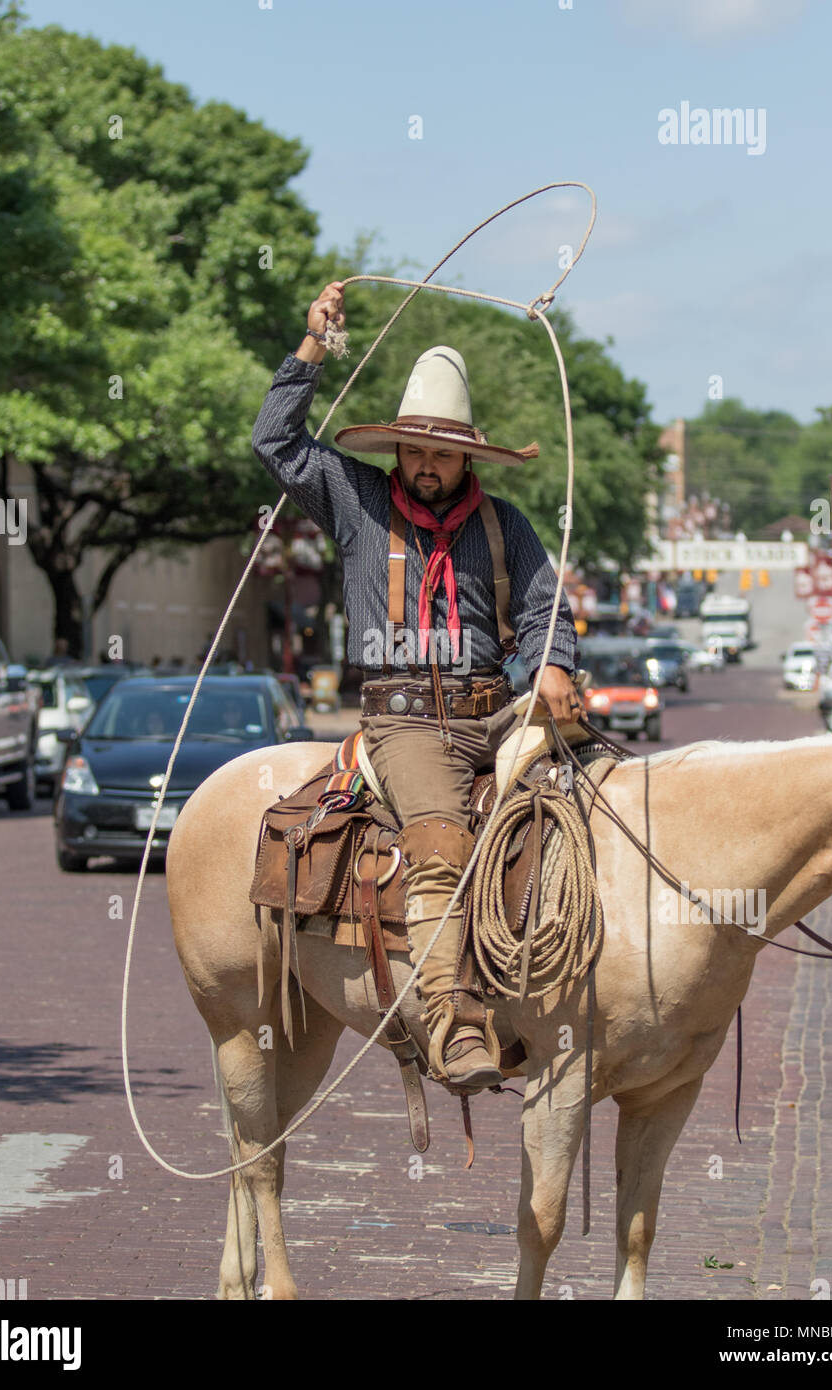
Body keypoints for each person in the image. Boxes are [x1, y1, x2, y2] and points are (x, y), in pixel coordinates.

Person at [251, 281, 580, 1092]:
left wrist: (557, 669)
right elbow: (275, 442)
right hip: (405, 724)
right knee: (439, 845)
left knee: (582, 817)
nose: (427, 465)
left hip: (493, 713)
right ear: (396, 448)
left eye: (442, 453)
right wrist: (314, 347)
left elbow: (545, 611)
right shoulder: (355, 499)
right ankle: (453, 1022)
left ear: (467, 455)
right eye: (415, 450)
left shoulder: (505, 525)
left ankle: (571, 987)